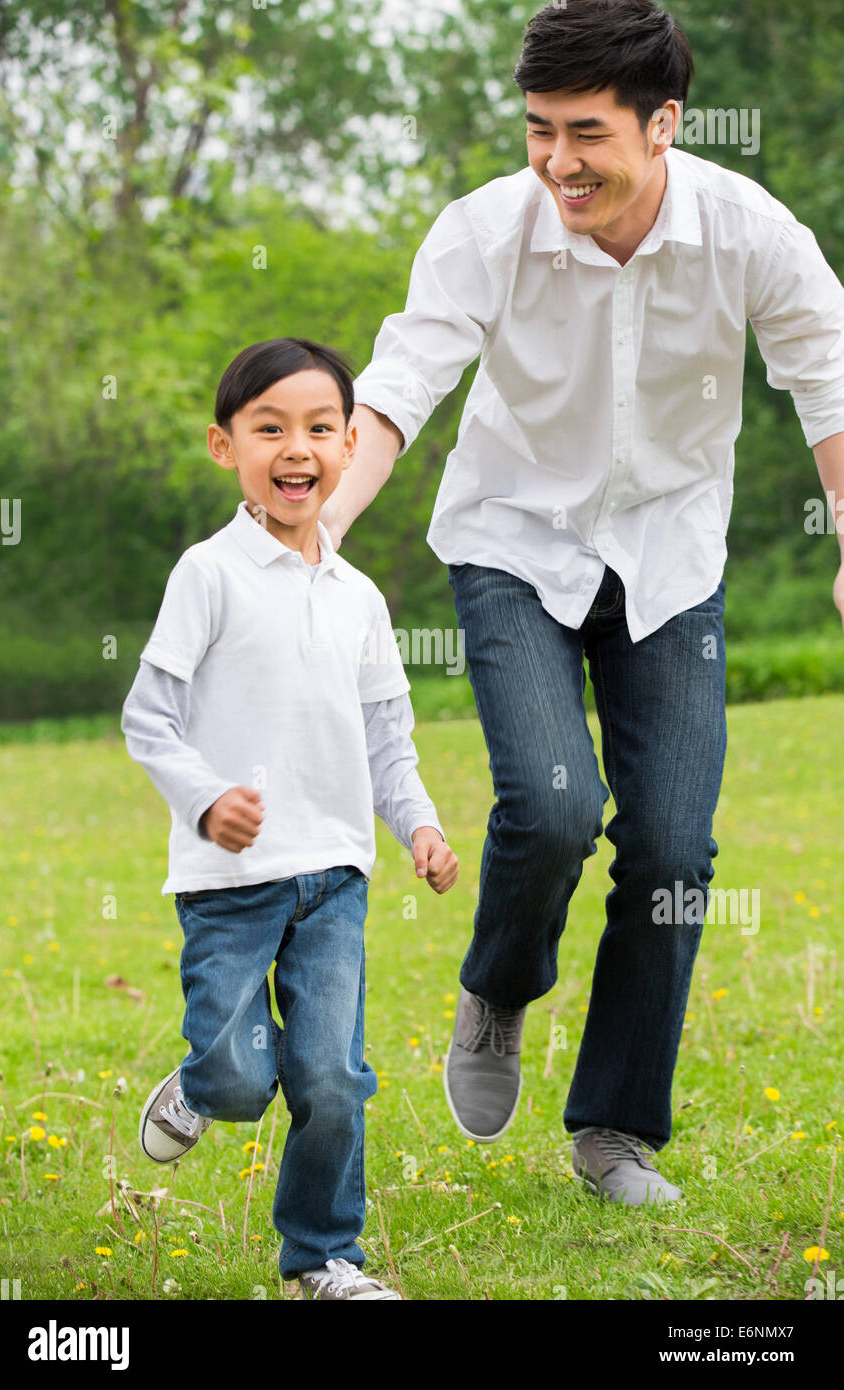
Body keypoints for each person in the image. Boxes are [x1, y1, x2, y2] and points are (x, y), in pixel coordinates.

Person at [319, 0, 844, 1206]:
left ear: (664, 125)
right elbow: (399, 386)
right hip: (512, 541)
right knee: (552, 808)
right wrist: (325, 527)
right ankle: (499, 988)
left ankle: (614, 1128)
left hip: (667, 558)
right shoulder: (483, 233)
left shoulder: (746, 232)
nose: (558, 162)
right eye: (537, 130)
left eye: (587, 134)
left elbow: (824, 378)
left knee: (668, 845)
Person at [121, 337, 459, 1300]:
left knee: (329, 1079)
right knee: (238, 1078)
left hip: (338, 876)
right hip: (229, 881)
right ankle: (199, 1085)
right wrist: (205, 798)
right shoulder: (208, 573)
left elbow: (388, 734)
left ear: (352, 446)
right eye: (269, 427)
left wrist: (421, 827)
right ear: (226, 447)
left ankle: (322, 1257)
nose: (296, 446)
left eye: (319, 427)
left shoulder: (360, 599)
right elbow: (148, 716)